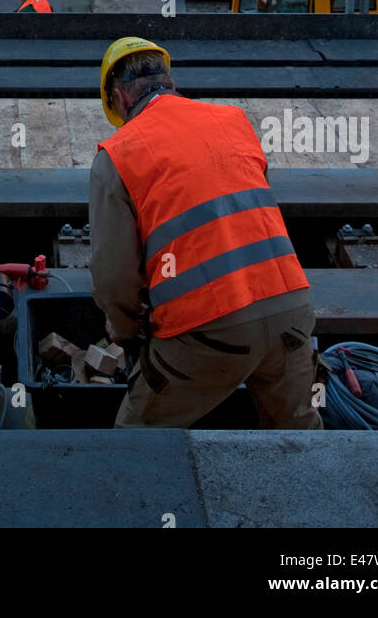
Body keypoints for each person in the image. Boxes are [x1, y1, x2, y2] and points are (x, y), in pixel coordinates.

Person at [90, 37, 322, 431]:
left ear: (119, 99)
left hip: (209, 329)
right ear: (170, 81)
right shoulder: (233, 121)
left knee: (133, 437)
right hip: (291, 311)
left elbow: (114, 276)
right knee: (299, 433)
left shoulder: (117, 154)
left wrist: (125, 328)